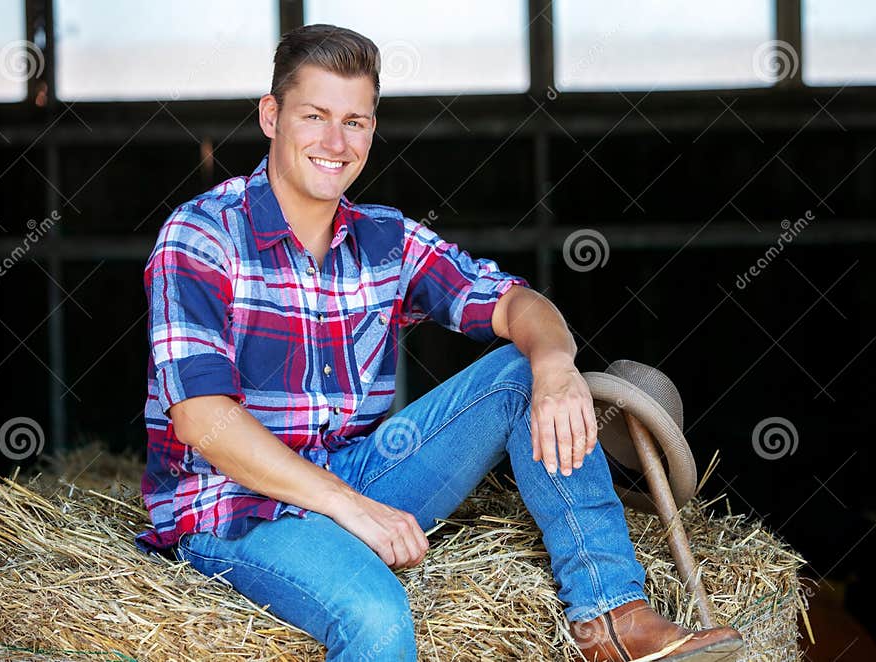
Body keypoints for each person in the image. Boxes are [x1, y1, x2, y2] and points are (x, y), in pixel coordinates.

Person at [135, 24, 744, 662]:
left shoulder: (385, 239)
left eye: (355, 121)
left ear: (372, 128)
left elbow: (516, 305)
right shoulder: (203, 234)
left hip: (354, 472)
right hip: (231, 508)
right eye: (314, 116)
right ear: (271, 116)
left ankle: (612, 618)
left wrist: (557, 366)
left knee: (521, 372)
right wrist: (353, 511)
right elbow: (203, 420)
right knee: (376, 618)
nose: (335, 142)